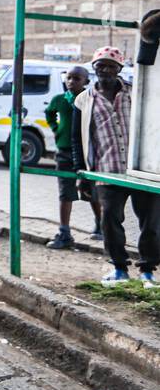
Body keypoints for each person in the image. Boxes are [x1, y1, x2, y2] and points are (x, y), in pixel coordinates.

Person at [72, 46, 159, 286]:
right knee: (109, 220)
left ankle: (147, 271)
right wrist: (81, 172)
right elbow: (76, 139)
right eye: (101, 66)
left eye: (111, 66)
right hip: (106, 169)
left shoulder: (137, 93)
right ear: (94, 69)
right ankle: (120, 269)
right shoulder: (83, 100)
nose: (105, 70)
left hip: (141, 169)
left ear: (119, 69)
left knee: (151, 222)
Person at [46, 65, 101, 249]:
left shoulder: (90, 100)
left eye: (76, 78)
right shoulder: (60, 100)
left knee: (91, 191)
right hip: (64, 151)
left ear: (86, 81)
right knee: (65, 193)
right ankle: (64, 232)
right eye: (69, 78)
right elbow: (49, 113)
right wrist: (56, 129)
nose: (71, 82)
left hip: (86, 153)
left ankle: (100, 225)